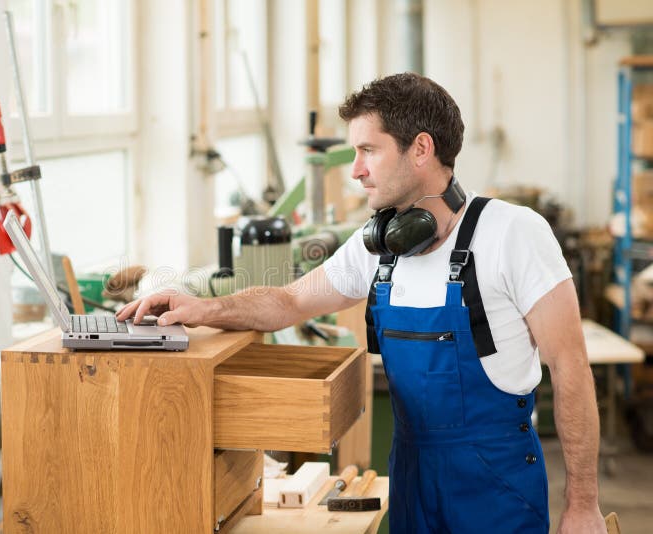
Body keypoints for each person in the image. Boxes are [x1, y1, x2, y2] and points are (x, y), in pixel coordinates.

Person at [117, 72, 606, 533]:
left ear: (421, 149)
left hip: (494, 481)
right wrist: (204, 308)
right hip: (411, 474)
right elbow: (288, 303)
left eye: (368, 150)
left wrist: (582, 504)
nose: (355, 170)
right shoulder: (379, 246)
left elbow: (571, 367)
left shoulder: (513, 233)